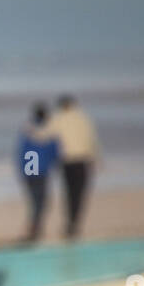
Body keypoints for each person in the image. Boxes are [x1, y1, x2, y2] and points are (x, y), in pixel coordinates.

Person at [49, 94, 101, 238]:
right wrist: (96, 158)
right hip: (82, 160)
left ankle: (70, 223)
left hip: (66, 161)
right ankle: (74, 223)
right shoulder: (83, 118)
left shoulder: (58, 118)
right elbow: (91, 139)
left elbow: (48, 137)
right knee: (80, 193)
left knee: (69, 193)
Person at [16, 102, 59, 242]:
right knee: (41, 202)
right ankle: (35, 228)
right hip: (41, 170)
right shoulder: (49, 132)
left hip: (30, 169)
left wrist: (22, 170)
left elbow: (22, 152)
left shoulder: (27, 131)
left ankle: (34, 228)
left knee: (34, 201)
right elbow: (54, 153)